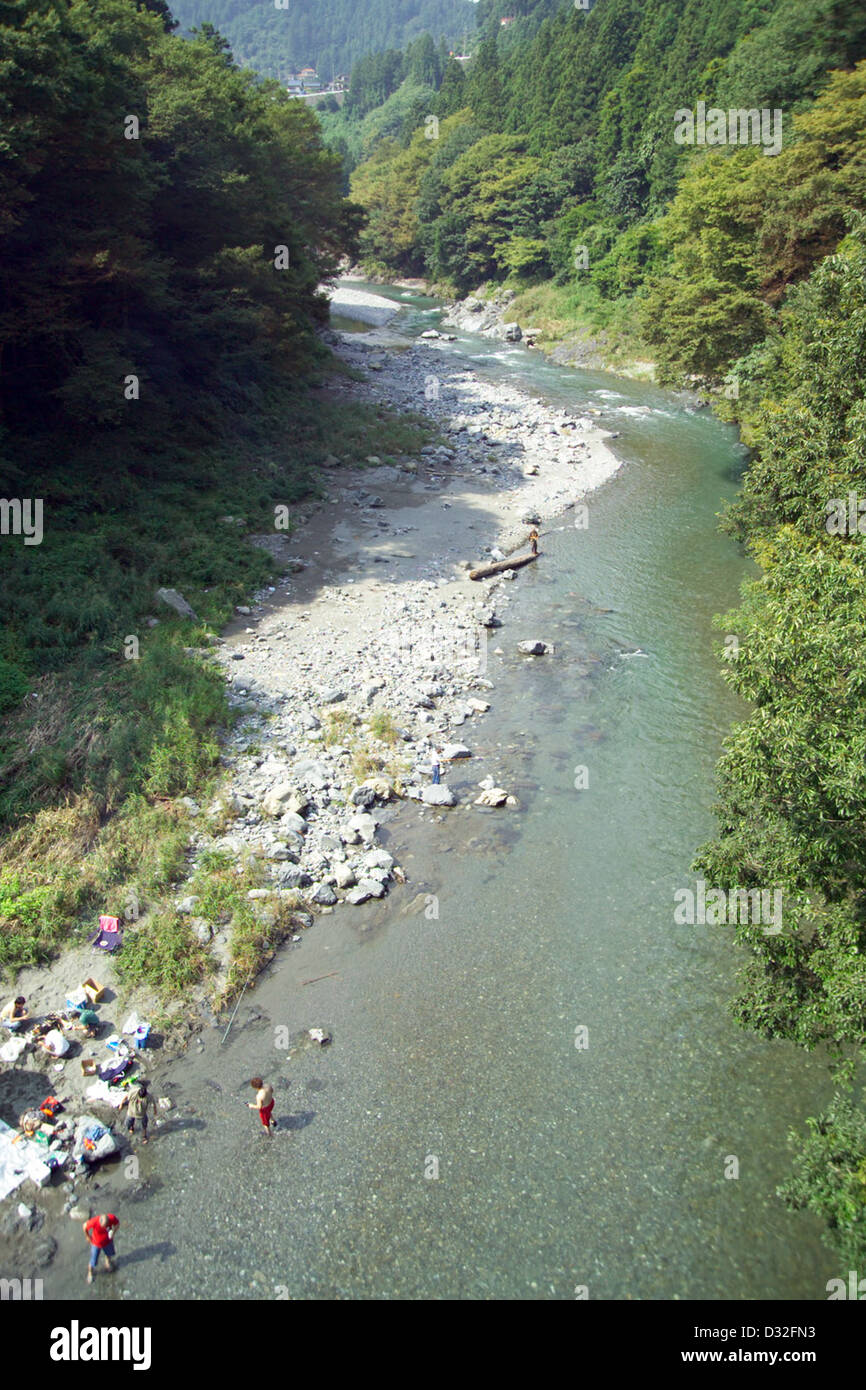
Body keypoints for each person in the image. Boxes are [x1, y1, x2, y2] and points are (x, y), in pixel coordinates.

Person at [83, 1212, 119, 1284]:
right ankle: (90, 1273)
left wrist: (113, 1232)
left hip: (108, 1242)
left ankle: (107, 1263)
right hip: (96, 1243)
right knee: (94, 1259)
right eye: (103, 1226)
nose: (105, 1228)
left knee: (109, 1253)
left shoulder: (111, 1218)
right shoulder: (94, 1221)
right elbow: (84, 1226)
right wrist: (87, 1236)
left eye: (106, 1226)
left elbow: (117, 1224)